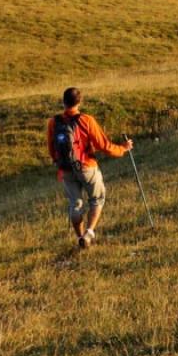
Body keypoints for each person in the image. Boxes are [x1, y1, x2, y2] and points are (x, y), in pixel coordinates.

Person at [46, 87, 132, 249]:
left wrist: (58, 162)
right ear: (79, 102)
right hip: (87, 167)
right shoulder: (86, 120)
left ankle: (80, 237)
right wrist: (122, 149)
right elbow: (104, 145)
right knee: (97, 199)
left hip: (66, 170)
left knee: (75, 204)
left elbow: (51, 148)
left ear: (63, 102)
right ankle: (89, 233)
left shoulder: (53, 122)